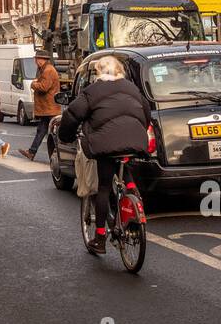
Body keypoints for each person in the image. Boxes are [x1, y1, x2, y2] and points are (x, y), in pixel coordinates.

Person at [56, 55, 151, 255]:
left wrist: (65, 136)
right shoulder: (132, 88)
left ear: (99, 72)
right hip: (135, 138)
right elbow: (146, 111)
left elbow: (72, 115)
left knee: (104, 187)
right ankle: (133, 192)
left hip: (105, 143)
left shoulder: (92, 91)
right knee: (123, 160)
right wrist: (138, 130)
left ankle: (99, 238)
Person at [19, 51, 62, 162]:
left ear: (42, 59)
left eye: (37, 59)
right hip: (47, 108)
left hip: (49, 108)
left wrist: (33, 84)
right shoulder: (45, 69)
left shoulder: (48, 71)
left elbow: (44, 87)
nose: (36, 61)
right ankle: (32, 152)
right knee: (42, 130)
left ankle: (58, 155)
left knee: (54, 133)